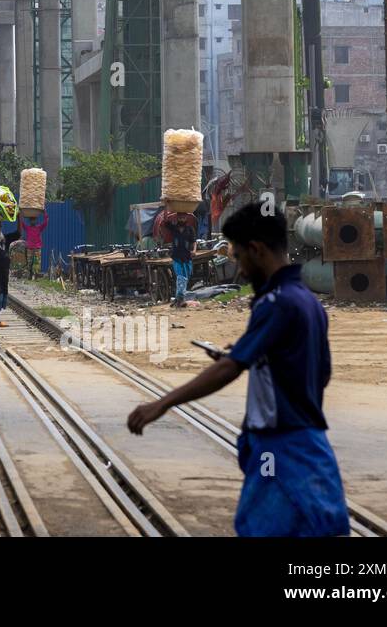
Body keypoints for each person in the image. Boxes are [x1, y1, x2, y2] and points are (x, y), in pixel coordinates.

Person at [128, 204, 350, 538]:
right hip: (311, 447)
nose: (240, 270)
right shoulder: (307, 300)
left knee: (262, 528)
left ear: (256, 250)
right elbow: (318, 371)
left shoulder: (275, 303)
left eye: (238, 256)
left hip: (278, 447)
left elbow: (229, 369)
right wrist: (259, 357)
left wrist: (161, 404)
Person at [160, 211, 198, 308]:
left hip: (187, 257)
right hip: (176, 257)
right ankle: (181, 299)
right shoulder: (173, 228)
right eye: (180, 217)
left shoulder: (190, 229)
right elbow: (164, 222)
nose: (181, 219)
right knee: (180, 276)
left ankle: (178, 298)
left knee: (186, 277)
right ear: (177, 218)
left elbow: (194, 241)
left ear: (186, 218)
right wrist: (165, 207)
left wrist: (194, 251)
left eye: (183, 217)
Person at [19, 211, 49, 280]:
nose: (33, 222)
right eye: (32, 220)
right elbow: (21, 223)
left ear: (36, 221)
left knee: (37, 263)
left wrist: (45, 212)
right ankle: (29, 275)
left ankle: (36, 276)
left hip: (37, 248)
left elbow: (46, 222)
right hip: (29, 248)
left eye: (34, 220)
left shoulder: (39, 228)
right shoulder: (27, 228)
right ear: (30, 221)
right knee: (29, 263)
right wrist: (20, 214)